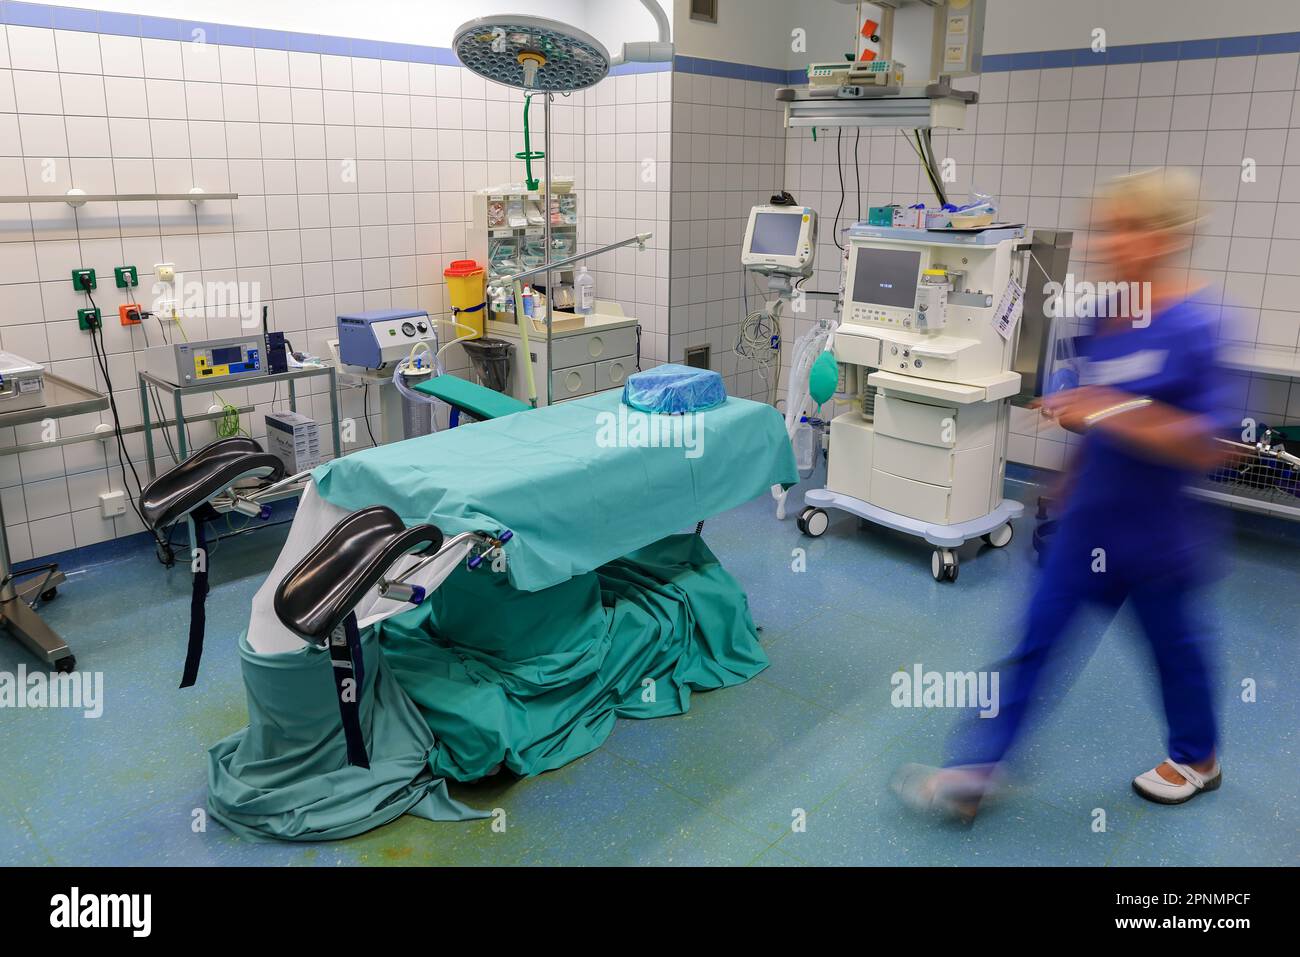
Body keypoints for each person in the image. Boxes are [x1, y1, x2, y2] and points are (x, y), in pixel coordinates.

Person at [893, 168, 1233, 821]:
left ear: (1168, 236)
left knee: (1176, 650)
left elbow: (1205, 442)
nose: (1112, 241)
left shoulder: (1198, 326)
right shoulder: (1107, 313)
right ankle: (976, 766)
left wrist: (1108, 407)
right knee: (1033, 641)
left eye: (1130, 227)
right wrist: (1067, 477)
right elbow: (1092, 417)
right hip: (1088, 525)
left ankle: (1199, 756)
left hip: (1159, 534)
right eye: (1107, 226)